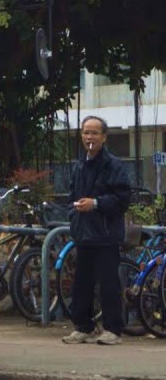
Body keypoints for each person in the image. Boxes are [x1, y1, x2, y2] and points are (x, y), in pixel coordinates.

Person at [61, 115, 132, 345]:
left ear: (104, 137)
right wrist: (74, 210)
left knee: (109, 282)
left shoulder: (114, 165)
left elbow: (122, 199)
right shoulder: (79, 165)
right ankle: (83, 327)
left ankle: (113, 330)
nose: (89, 137)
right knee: (82, 282)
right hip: (84, 233)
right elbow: (72, 195)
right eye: (85, 132)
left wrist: (96, 204)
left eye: (94, 133)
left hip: (106, 234)